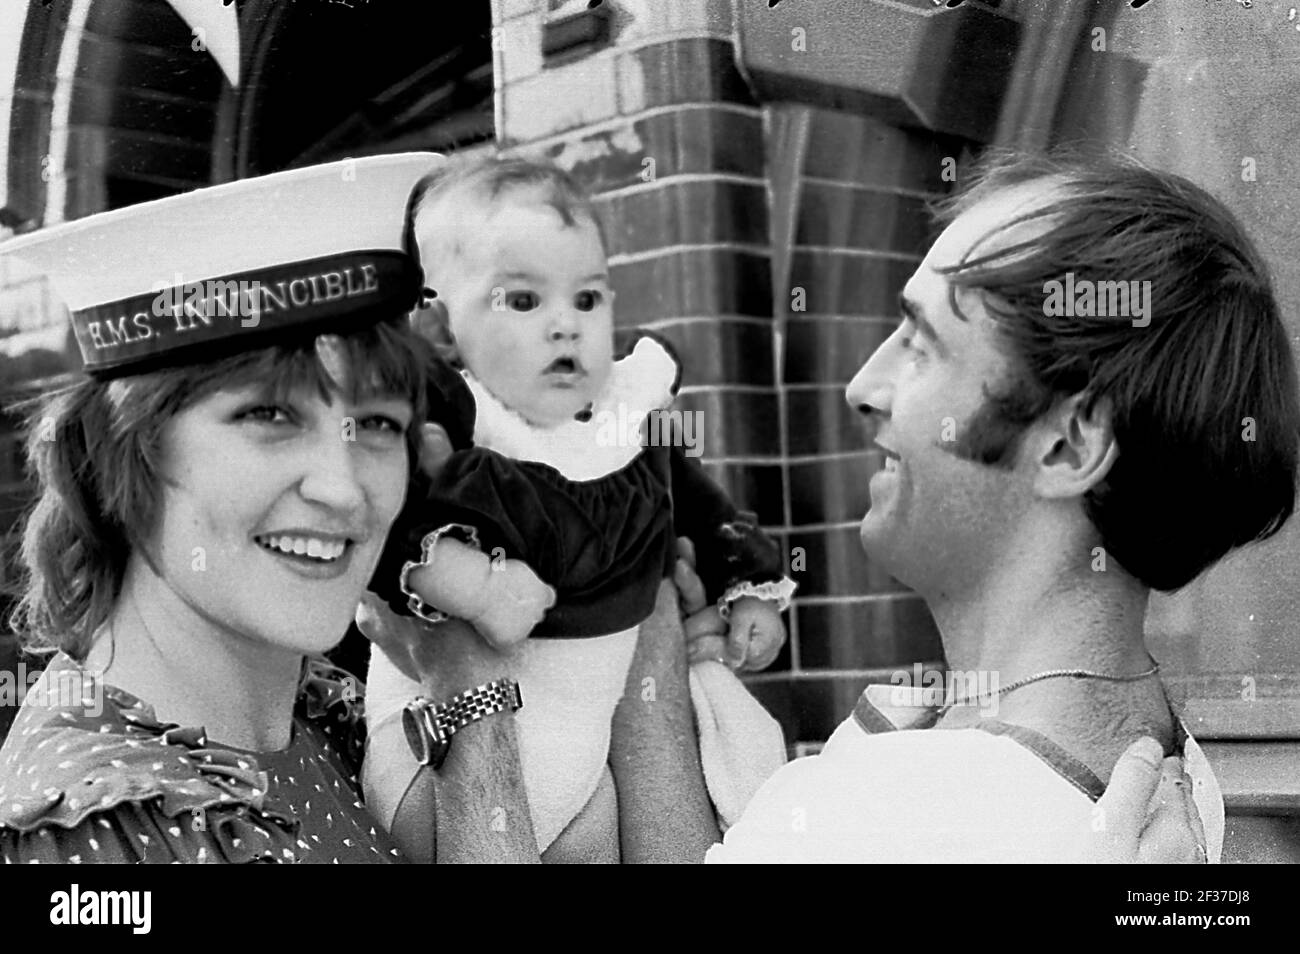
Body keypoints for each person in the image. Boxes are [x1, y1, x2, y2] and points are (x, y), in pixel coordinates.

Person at [690, 148, 1297, 862]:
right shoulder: (1170, 784)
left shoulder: (875, 822)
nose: (863, 386)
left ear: (1070, 446)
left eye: (922, 344)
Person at [0, 154, 561, 863]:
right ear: (125, 453)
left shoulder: (328, 712)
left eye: (379, 424)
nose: (344, 487)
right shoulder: (92, 833)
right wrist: (470, 695)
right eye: (269, 414)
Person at [363, 156, 795, 858]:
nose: (566, 328)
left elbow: (700, 506)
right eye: (525, 303)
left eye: (587, 300)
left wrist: (748, 588)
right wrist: (475, 583)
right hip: (431, 750)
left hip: (588, 764)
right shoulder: (455, 422)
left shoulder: (624, 421)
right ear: (440, 330)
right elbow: (385, 535)